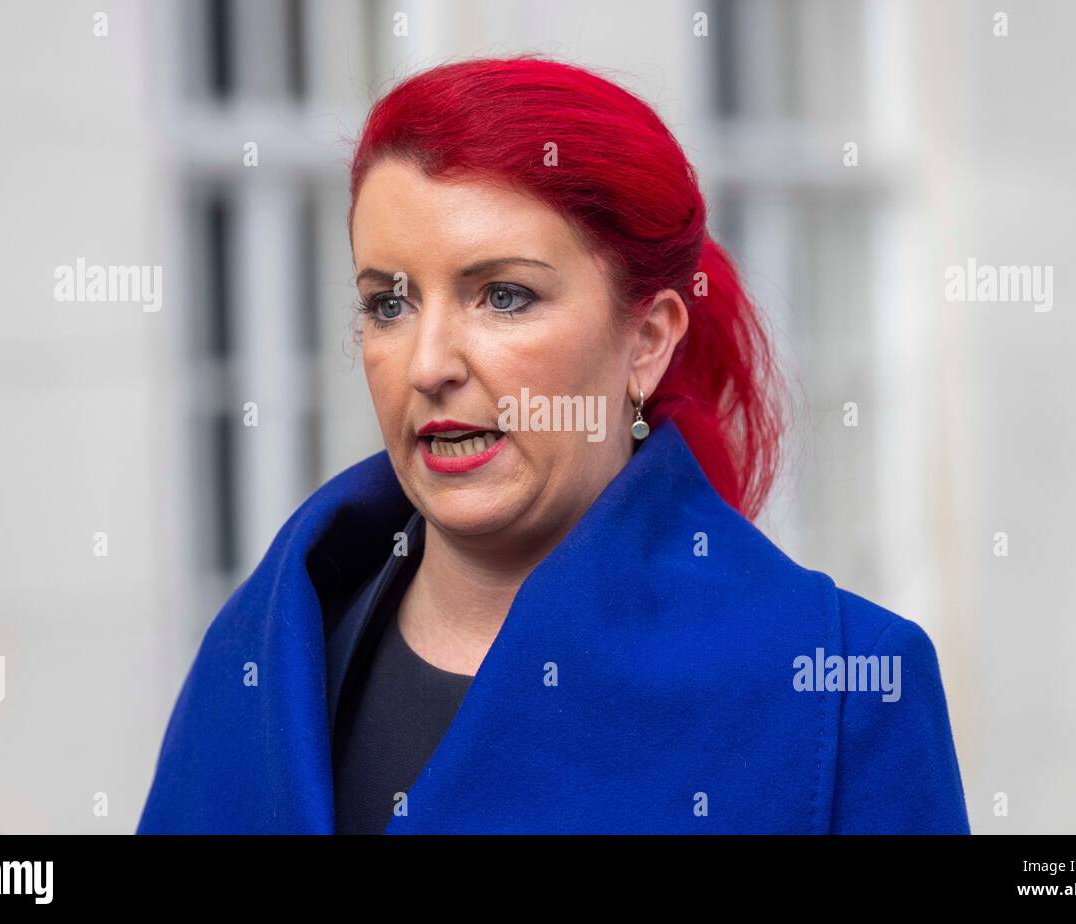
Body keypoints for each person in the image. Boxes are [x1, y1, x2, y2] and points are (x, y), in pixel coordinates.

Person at [137, 56, 970, 835]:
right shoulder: (259, 653)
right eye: (389, 304)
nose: (427, 365)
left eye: (503, 296)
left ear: (647, 340)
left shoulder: (847, 689)